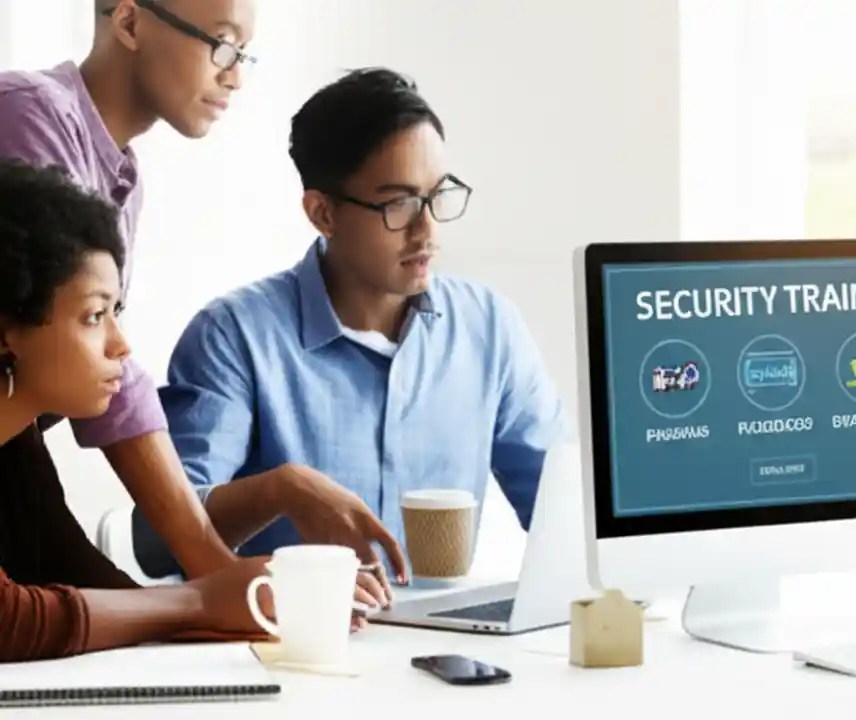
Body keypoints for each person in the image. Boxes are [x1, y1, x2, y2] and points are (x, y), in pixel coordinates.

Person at [0, 0, 401, 598]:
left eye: (244, 53)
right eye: (222, 43)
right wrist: (214, 572)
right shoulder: (27, 115)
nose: (235, 75)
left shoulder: (121, 175)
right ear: (129, 22)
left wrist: (216, 584)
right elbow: (94, 368)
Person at [133, 68, 564, 581]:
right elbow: (158, 539)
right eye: (398, 204)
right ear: (323, 214)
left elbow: (564, 509)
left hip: (445, 626)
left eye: (437, 195)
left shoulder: (488, 328)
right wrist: (280, 490)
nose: (426, 230)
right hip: (289, 630)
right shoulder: (234, 337)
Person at [0, 158, 271, 662]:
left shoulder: (15, 443)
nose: (120, 345)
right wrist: (201, 601)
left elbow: (73, 571)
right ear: (6, 330)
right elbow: (10, 621)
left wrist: (225, 609)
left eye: (116, 312)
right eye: (94, 316)